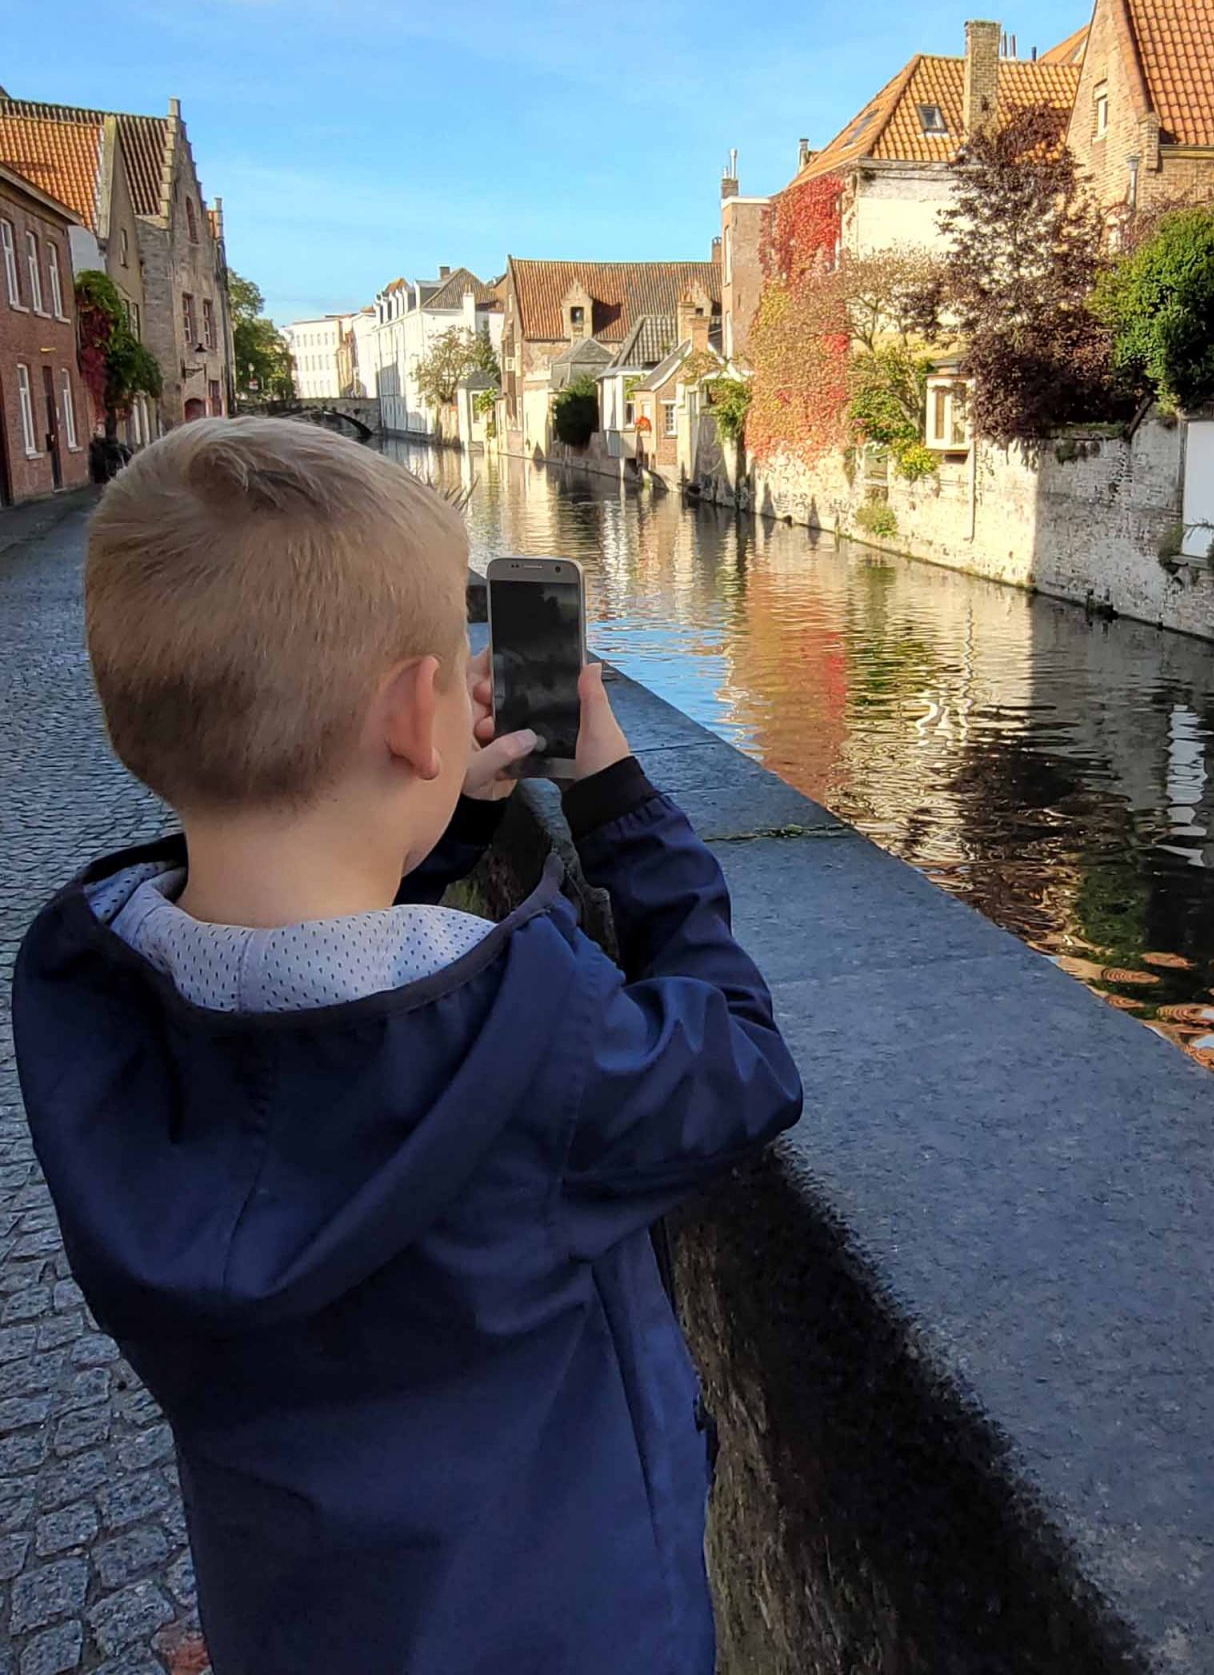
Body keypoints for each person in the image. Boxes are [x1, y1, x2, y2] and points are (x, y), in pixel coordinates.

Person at [14, 417, 802, 1675]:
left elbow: (310, 988)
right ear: (415, 716)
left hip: (298, 1615)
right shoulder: (537, 1047)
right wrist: (614, 794)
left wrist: (428, 827)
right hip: (567, 1629)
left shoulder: (93, 1007)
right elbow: (743, 1056)